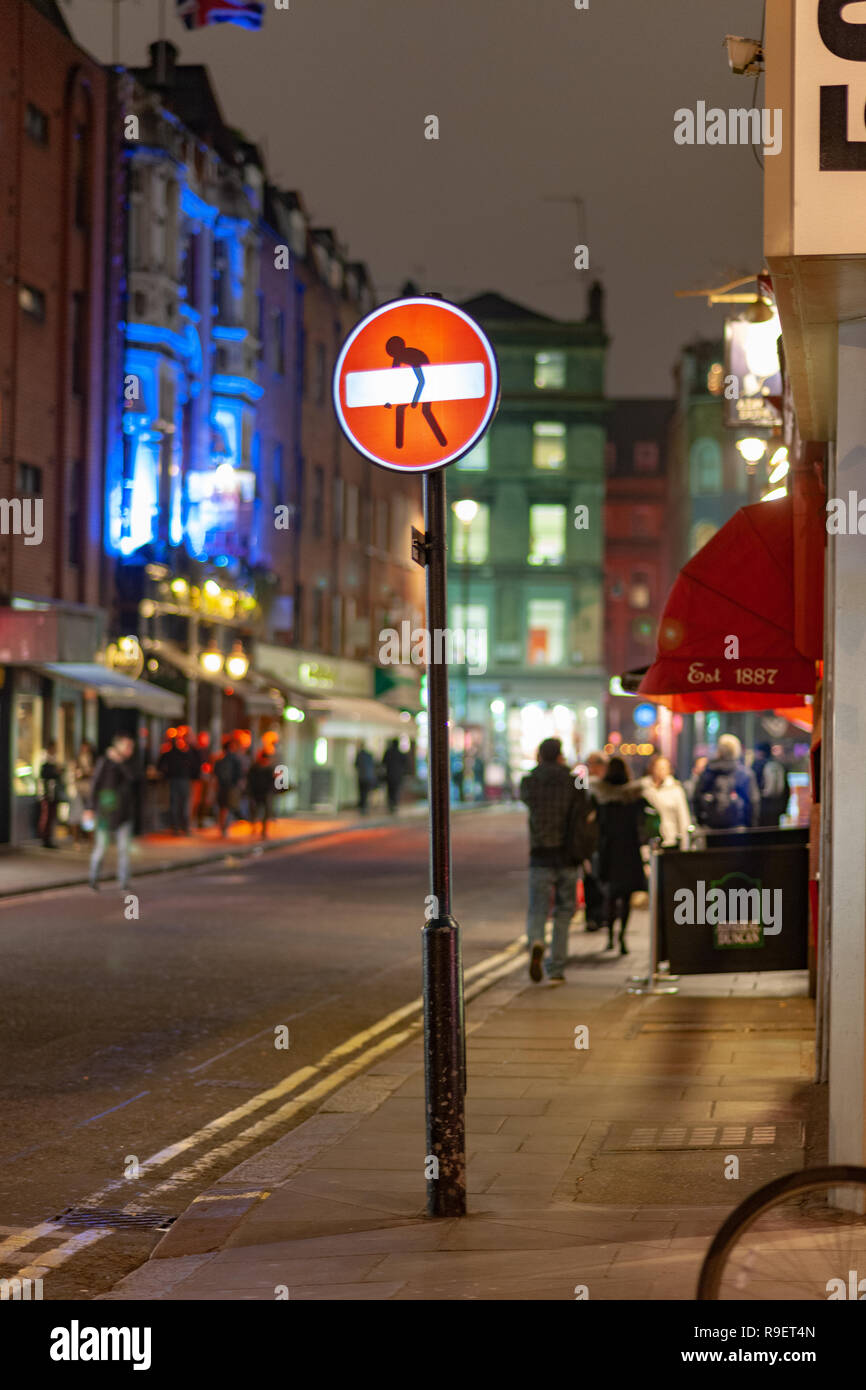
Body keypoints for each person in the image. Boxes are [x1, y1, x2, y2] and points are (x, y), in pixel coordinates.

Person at [520, 737, 597, 983]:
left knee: (537, 908)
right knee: (564, 912)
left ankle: (537, 941)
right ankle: (557, 968)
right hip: (567, 854)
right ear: (561, 755)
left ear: (540, 755)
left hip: (540, 854)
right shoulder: (574, 780)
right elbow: (586, 810)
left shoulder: (529, 781)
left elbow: (525, 800)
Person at [593, 754, 648, 955]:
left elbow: (596, 824)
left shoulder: (601, 797)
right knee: (626, 897)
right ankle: (622, 937)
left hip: (609, 849)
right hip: (629, 850)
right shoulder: (634, 796)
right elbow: (644, 822)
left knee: (610, 895)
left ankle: (609, 937)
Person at [89, 732, 136, 891]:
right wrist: (90, 808)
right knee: (100, 848)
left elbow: (133, 779)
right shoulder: (104, 762)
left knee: (124, 851)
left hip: (124, 815)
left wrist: (119, 762)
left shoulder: (129, 764)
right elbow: (95, 785)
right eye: (127, 745)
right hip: (106, 814)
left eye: (131, 746)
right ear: (118, 745)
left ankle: (123, 883)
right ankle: (93, 879)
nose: (130, 749)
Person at [694, 734, 760, 830]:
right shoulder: (744, 774)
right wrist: (751, 827)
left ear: (719, 750)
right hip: (738, 828)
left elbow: (696, 797)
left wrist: (701, 821)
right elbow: (753, 803)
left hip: (711, 827)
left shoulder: (709, 771)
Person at [582, 752, 609, 931]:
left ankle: (602, 915)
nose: (592, 768)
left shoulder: (606, 786)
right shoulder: (583, 785)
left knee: (602, 877)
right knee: (590, 878)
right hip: (589, 840)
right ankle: (592, 916)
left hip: (603, 839)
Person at [643, 755, 692, 848]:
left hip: (670, 840)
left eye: (664, 768)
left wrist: (685, 845)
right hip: (649, 842)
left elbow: (683, 818)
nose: (661, 771)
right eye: (658, 768)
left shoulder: (675, 790)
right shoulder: (645, 789)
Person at [157, 733, 198, 835]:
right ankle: (184, 827)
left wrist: (167, 774)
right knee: (183, 804)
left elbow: (160, 766)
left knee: (175, 803)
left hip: (175, 779)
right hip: (182, 779)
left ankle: (177, 827)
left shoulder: (169, 753)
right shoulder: (183, 753)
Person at [752, 741, 790, 826]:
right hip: (777, 808)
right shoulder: (780, 766)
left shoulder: (757, 766)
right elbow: (786, 790)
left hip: (763, 808)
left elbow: (753, 790)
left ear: (760, 752)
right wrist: (784, 809)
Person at [213, 735, 244, 837]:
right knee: (230, 806)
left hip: (221, 785)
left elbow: (215, 772)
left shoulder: (219, 758)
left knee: (222, 807)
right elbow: (239, 773)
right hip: (231, 786)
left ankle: (222, 826)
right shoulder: (235, 759)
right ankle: (225, 827)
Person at [67, 740, 95, 846]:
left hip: (88, 791)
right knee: (76, 815)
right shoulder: (75, 761)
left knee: (88, 816)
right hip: (77, 791)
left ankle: (90, 839)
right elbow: (72, 776)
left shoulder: (92, 760)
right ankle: (76, 839)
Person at [38, 741, 65, 848]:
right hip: (47, 794)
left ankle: (48, 838)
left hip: (53, 793)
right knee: (47, 816)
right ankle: (45, 839)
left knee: (51, 816)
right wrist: (56, 772)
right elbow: (44, 775)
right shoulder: (45, 762)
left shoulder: (54, 762)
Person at [247, 746, 276, 839]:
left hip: (265, 792)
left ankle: (263, 829)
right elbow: (250, 779)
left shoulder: (268, 768)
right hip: (258, 792)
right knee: (257, 810)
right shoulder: (256, 767)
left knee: (265, 811)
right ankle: (255, 826)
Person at [382, 738, 406, 814]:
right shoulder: (400, 753)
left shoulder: (388, 752)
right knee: (396, 790)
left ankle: (391, 804)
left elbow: (383, 763)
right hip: (398, 775)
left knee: (390, 791)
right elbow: (405, 764)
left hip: (389, 775)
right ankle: (394, 805)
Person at [354, 742, 377, 814]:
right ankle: (366, 807)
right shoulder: (369, 755)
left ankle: (363, 807)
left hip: (361, 777)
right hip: (369, 777)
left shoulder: (359, 755)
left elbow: (356, 765)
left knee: (362, 793)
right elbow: (374, 765)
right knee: (367, 792)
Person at [684, 755, 708, 820]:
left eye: (706, 767)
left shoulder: (711, 785)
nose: (704, 770)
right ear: (694, 769)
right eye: (702, 767)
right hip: (693, 821)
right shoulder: (688, 786)